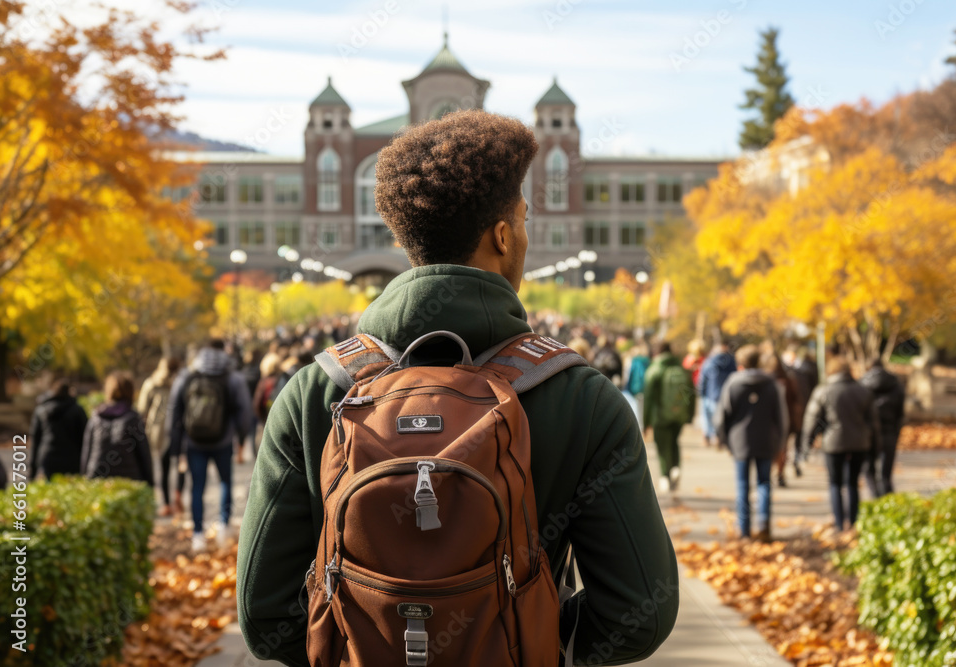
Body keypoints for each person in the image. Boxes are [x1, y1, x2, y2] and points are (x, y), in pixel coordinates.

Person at [237, 110, 678, 665]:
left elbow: (263, 615)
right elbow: (642, 611)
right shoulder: (583, 398)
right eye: (521, 219)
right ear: (501, 236)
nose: (523, 233)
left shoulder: (314, 393)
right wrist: (534, 637)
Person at [168, 339, 252, 552]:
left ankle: (198, 534)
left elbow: (174, 412)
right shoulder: (232, 376)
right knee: (225, 482)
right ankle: (223, 527)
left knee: (197, 487)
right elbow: (244, 411)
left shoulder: (187, 375)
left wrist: (176, 448)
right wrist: (241, 439)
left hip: (194, 441)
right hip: (223, 440)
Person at [714, 345, 787, 542]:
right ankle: (764, 525)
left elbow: (721, 417)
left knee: (742, 485)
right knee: (764, 483)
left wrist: (724, 440)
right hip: (766, 440)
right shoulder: (771, 384)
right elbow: (781, 417)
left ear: (740, 364)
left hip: (740, 442)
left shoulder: (733, 383)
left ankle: (744, 529)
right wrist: (780, 443)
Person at [801, 357, 880, 531]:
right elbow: (873, 423)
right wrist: (875, 445)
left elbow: (812, 420)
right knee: (852, 483)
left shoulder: (823, 391)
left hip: (833, 443)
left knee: (835, 483)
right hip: (859, 443)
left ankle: (838, 523)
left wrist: (807, 443)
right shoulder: (863, 391)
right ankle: (853, 522)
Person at [81, 372, 154, 485]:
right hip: (128, 480)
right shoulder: (133, 418)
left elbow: (87, 452)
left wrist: (85, 478)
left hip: (97, 478)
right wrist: (150, 482)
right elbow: (144, 455)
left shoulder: (96, 417)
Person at [643, 342, 695, 493]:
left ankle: (665, 475)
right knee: (674, 442)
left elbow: (648, 399)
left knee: (661, 445)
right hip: (679, 415)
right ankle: (676, 468)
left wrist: (645, 423)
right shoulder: (682, 369)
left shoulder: (654, 370)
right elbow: (691, 395)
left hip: (660, 416)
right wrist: (689, 416)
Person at [137, 357, 182, 515]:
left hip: (155, 432)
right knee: (176, 467)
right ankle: (177, 500)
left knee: (155, 468)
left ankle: (164, 504)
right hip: (176, 431)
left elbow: (142, 409)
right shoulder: (180, 383)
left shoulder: (151, 383)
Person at [860, 359, 905, 496]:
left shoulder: (861, 385)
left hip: (868, 434)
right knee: (886, 474)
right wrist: (896, 433)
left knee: (869, 470)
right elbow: (900, 414)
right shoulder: (896, 385)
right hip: (889, 432)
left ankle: (875, 496)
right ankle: (888, 502)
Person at [29, 378, 88, 480]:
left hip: (48, 458)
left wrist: (32, 471)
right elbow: (84, 439)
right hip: (72, 459)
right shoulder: (77, 410)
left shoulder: (41, 410)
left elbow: (35, 440)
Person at [761, 353, 800, 488]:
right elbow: (796, 400)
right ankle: (779, 473)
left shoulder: (765, 382)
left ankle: (772, 472)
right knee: (783, 447)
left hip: (769, 420)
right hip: (785, 419)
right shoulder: (787, 380)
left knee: (771, 447)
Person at [784, 345, 818, 477]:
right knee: (797, 439)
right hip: (799, 411)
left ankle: (793, 463)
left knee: (792, 439)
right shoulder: (803, 373)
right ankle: (794, 463)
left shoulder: (801, 373)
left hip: (796, 411)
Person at [697, 340, 737, 448]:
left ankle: (707, 437)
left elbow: (702, 380)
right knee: (721, 418)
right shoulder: (732, 362)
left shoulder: (709, 362)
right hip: (726, 395)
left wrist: (700, 392)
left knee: (707, 417)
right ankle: (718, 437)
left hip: (709, 394)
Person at [237, 347, 265, 463]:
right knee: (254, 430)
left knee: (242, 430)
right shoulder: (259, 371)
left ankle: (240, 454)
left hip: (244, 404)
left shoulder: (243, 372)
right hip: (255, 403)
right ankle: (255, 453)